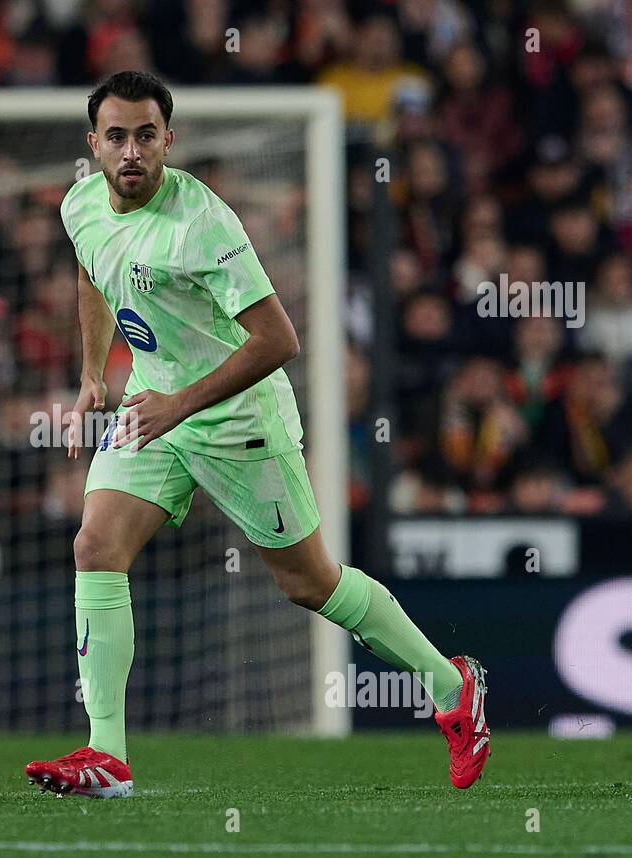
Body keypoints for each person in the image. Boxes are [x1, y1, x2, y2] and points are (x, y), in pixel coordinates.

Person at [26, 71, 491, 797]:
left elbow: (279, 340)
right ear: (93, 145)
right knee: (95, 545)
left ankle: (450, 685)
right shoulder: (81, 203)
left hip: (237, 415)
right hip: (155, 401)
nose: (131, 152)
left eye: (146, 135)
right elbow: (94, 271)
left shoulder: (202, 223)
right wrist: (92, 372)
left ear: (168, 141)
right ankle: (106, 756)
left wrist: (180, 404)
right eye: (115, 136)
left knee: (309, 582)